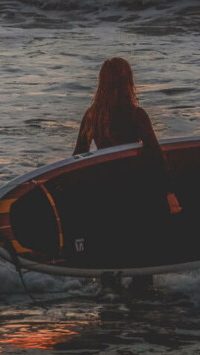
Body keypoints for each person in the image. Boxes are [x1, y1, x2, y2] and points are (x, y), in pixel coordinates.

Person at [74, 57, 180, 292]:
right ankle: (139, 314)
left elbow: (78, 158)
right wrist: (169, 192)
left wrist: (80, 197)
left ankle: (111, 311)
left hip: (107, 195)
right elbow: (155, 155)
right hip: (137, 195)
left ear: (101, 82)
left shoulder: (92, 116)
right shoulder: (136, 114)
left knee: (111, 260)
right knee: (141, 262)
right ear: (128, 82)